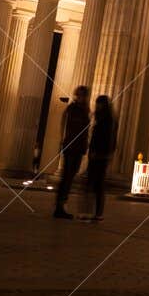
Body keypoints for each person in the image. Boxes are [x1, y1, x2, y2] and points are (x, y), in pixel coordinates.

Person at [52, 85, 91, 219]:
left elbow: (84, 131)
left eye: (84, 95)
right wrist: (63, 143)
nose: (82, 97)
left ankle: (61, 205)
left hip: (78, 147)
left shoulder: (84, 110)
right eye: (79, 95)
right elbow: (66, 127)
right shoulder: (73, 109)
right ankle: (60, 206)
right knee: (67, 177)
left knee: (70, 176)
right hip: (71, 147)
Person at [83, 94, 117, 222]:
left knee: (98, 185)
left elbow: (108, 139)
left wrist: (105, 153)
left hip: (101, 155)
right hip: (96, 154)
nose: (96, 106)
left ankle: (97, 213)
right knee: (93, 183)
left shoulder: (108, 120)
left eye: (99, 103)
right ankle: (91, 212)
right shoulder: (100, 118)